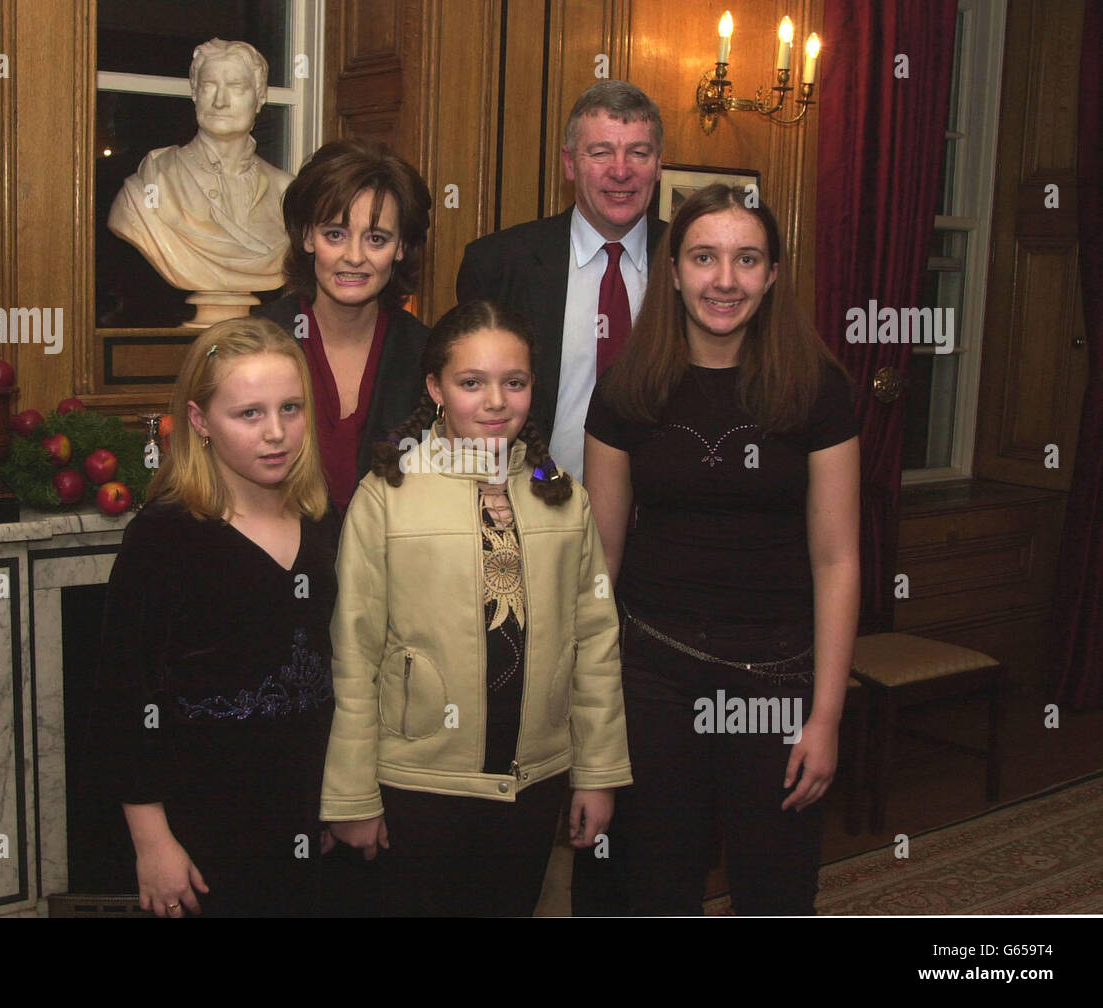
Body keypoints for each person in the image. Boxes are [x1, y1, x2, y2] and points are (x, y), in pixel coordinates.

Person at [583, 184, 861, 915]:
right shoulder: (624, 391)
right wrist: (588, 709)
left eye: (747, 259)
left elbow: (837, 561)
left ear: (772, 276)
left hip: (776, 680)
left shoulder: (818, 390)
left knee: (776, 888)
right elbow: (601, 564)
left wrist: (825, 717)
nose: (725, 280)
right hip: (651, 677)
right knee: (650, 885)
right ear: (672, 270)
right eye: (704, 258)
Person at [321, 300, 632, 916]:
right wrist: (352, 794)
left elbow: (595, 641)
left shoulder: (562, 498)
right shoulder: (387, 496)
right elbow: (353, 655)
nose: (495, 401)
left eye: (514, 383)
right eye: (472, 383)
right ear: (436, 387)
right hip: (418, 782)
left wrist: (597, 771)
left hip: (534, 781)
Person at [91, 316, 338, 916]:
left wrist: (335, 802)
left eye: (290, 408)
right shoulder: (164, 537)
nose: (276, 433)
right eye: (249, 413)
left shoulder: (324, 520)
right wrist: (153, 843)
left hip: (306, 820)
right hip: (202, 833)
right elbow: (121, 698)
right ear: (200, 422)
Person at [457, 80, 666, 482]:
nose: (620, 171)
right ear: (570, 163)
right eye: (601, 152)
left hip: (659, 518)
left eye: (638, 153)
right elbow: (467, 399)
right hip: (529, 503)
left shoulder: (689, 264)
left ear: (658, 164)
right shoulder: (499, 264)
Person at [255, 138, 432, 515]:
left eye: (376, 239)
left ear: (401, 247)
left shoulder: (427, 355)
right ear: (307, 237)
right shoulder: (258, 341)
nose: (354, 257)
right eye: (335, 234)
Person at [108, 39, 292, 301]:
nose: (220, 102)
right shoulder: (153, 183)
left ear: (260, 97)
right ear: (195, 93)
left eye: (236, 87)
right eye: (209, 86)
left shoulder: (285, 190)